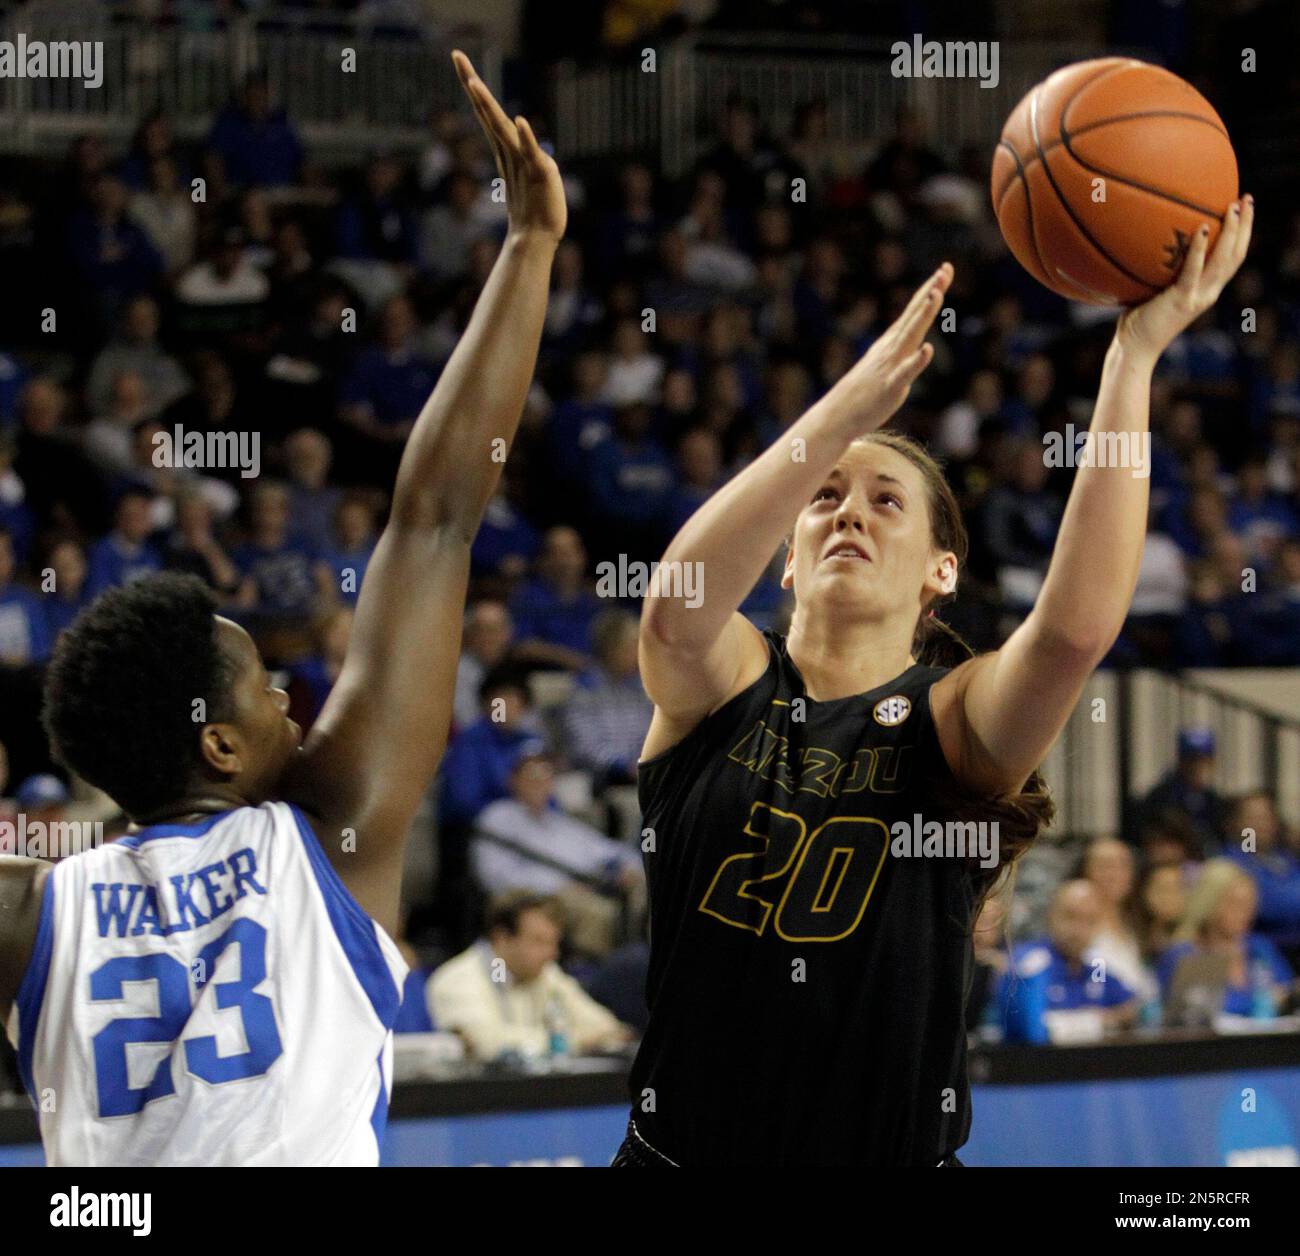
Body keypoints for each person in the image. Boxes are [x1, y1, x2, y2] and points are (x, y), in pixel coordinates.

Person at [0, 51, 567, 1167]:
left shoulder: (32, 912)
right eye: (264, 687)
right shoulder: (330, 832)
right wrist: (530, 248)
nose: (293, 700)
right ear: (216, 741)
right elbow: (437, 516)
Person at [614, 200, 1254, 1166]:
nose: (848, 514)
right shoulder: (729, 680)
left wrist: (1133, 358)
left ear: (941, 570)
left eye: (884, 500)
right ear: (786, 559)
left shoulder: (952, 718)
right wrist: (842, 418)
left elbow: (1075, 629)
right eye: (824, 497)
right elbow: (674, 608)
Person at [471, 748, 643, 958]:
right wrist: (559, 887)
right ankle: (605, 976)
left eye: (546, 774)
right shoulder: (497, 817)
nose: (540, 781)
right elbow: (495, 878)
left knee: (648, 889)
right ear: (514, 780)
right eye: (532, 774)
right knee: (601, 914)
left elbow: (610, 850)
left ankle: (650, 962)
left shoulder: (561, 823)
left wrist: (629, 867)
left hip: (584, 891)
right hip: (536, 898)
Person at [427, 891, 633, 1062]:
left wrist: (578, 1038)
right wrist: (575, 1041)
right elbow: (490, 1044)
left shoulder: (546, 974)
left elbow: (607, 1027)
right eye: (539, 942)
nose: (552, 953)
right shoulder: (458, 979)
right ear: (502, 938)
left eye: (554, 942)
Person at [993, 880, 1140, 1043]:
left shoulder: (1096, 967)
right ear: (1051, 915)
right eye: (1071, 916)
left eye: (1090, 920)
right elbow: (1034, 1031)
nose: (1079, 929)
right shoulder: (1031, 963)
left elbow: (1132, 1009)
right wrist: (1098, 1020)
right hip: (1035, 1064)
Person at [1157, 859, 1296, 1020]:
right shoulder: (1184, 954)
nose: (1246, 912)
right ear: (1209, 903)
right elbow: (1196, 1013)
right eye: (1236, 904)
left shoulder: (1259, 947)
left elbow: (1288, 992)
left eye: (1250, 904)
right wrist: (1262, 1002)